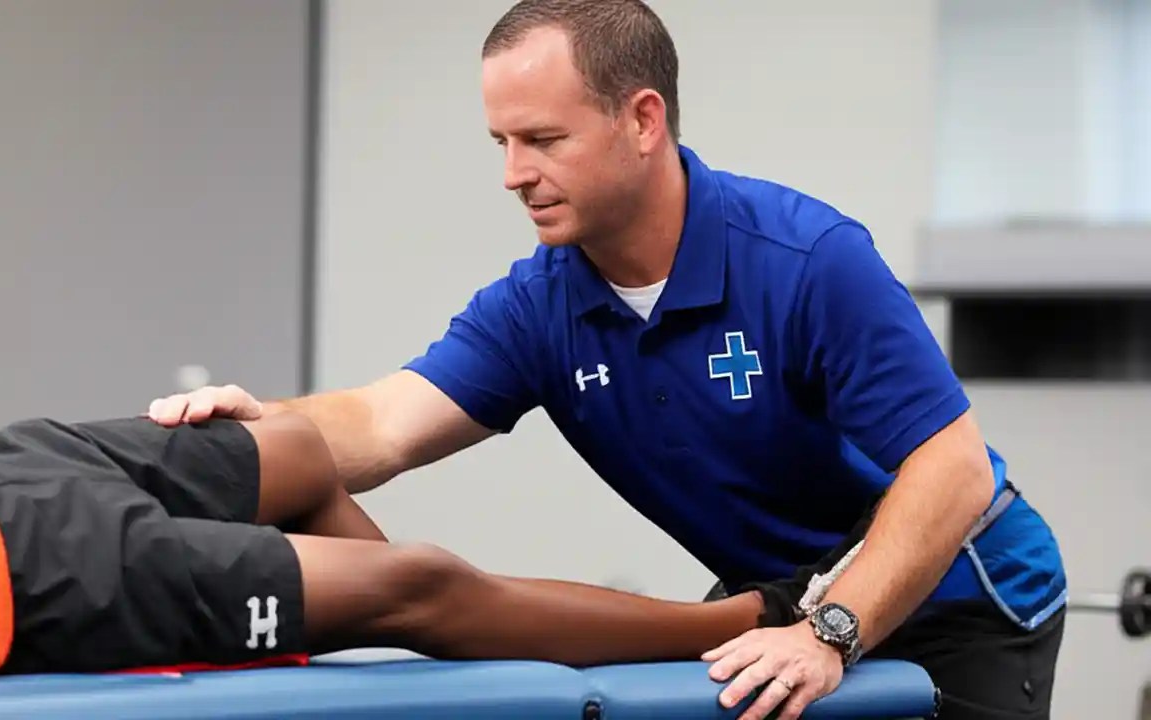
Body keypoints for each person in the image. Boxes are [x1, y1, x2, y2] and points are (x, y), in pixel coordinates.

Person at [147, 1, 1068, 717]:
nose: (513, 172)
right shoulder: (544, 301)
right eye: (501, 143)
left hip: (961, 587)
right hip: (782, 593)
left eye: (543, 139)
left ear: (642, 119)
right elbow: (387, 422)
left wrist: (832, 631)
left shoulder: (806, 260)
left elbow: (950, 471)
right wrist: (264, 428)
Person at [0, 410, 866, 686]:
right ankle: (741, 614)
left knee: (299, 452)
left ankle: (413, 644)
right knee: (416, 582)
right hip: (52, 581)